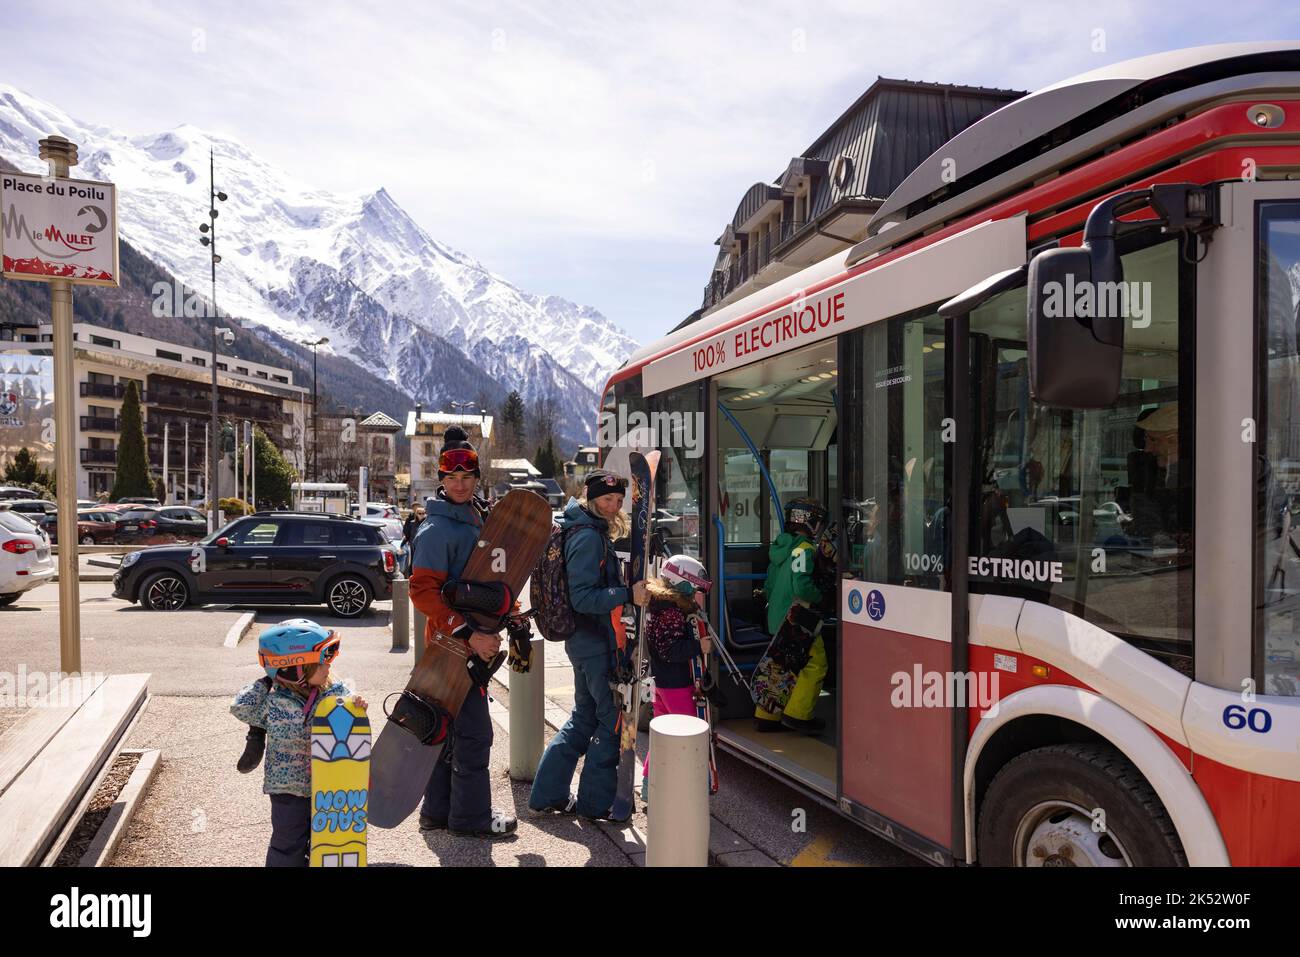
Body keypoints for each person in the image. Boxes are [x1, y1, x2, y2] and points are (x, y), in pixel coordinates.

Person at [407, 426, 515, 838]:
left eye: (467, 477)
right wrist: (468, 633)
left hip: (463, 645)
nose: (459, 484)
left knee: (447, 730)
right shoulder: (439, 529)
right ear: (441, 479)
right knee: (474, 735)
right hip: (452, 648)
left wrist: (512, 616)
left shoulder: (474, 519)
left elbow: (489, 580)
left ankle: (438, 812)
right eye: (451, 478)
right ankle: (469, 818)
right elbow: (421, 591)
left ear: (476, 477)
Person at [528, 469, 648, 821]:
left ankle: (548, 794)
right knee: (611, 720)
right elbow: (582, 597)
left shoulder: (581, 526)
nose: (612, 506)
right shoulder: (588, 537)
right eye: (606, 499)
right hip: (594, 642)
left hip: (583, 641)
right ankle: (597, 804)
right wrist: (627, 593)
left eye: (617, 501)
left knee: (584, 718)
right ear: (590, 497)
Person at [230, 619, 363, 867]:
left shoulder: (332, 693)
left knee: (328, 843)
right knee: (287, 844)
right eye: (320, 662)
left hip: (328, 787)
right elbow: (240, 707)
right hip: (287, 790)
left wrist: (357, 704)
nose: (328, 666)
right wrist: (267, 679)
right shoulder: (273, 704)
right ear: (295, 669)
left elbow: (349, 702)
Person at [753, 498, 830, 734]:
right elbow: (801, 587)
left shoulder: (780, 547)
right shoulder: (804, 549)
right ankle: (798, 715)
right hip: (798, 617)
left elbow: (770, 584)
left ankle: (766, 715)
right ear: (810, 523)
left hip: (776, 616)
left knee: (780, 665)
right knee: (815, 664)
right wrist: (821, 595)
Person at [641, 554, 712, 795]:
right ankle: (690, 787)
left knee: (662, 736)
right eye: (693, 588)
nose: (694, 594)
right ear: (681, 583)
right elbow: (669, 650)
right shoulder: (671, 612)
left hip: (660, 682)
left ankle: (650, 787)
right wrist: (699, 646)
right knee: (691, 734)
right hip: (676, 684)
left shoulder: (658, 605)